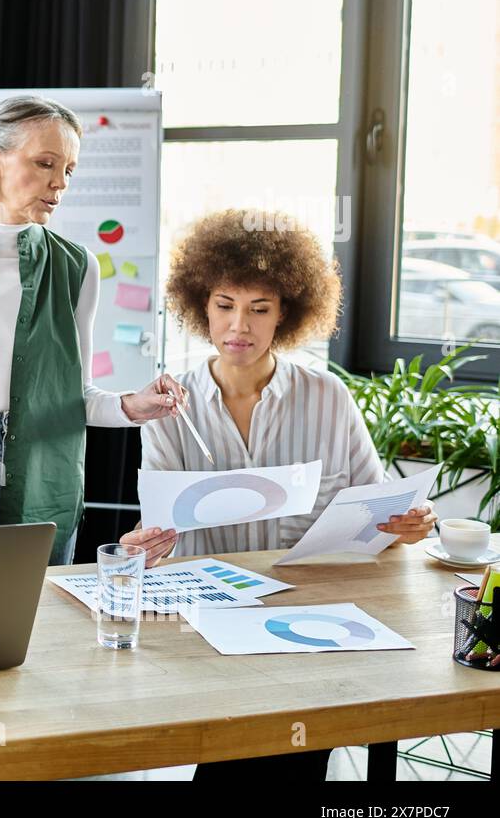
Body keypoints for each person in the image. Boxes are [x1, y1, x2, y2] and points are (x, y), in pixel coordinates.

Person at [125, 208, 438, 782]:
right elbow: (161, 536)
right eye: (224, 305)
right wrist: (145, 546)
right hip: (212, 625)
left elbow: (378, 513)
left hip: (311, 621)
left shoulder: (329, 398)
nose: (238, 325)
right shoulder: (169, 409)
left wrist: (409, 523)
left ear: (286, 315)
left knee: (290, 761)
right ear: (202, 306)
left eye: (258, 309)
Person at [0, 95, 184, 565]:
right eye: (45, 163)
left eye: (69, 169)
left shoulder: (78, 267)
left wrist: (133, 406)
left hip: (44, 475)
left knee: (37, 627)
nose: (59, 183)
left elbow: (76, 397)